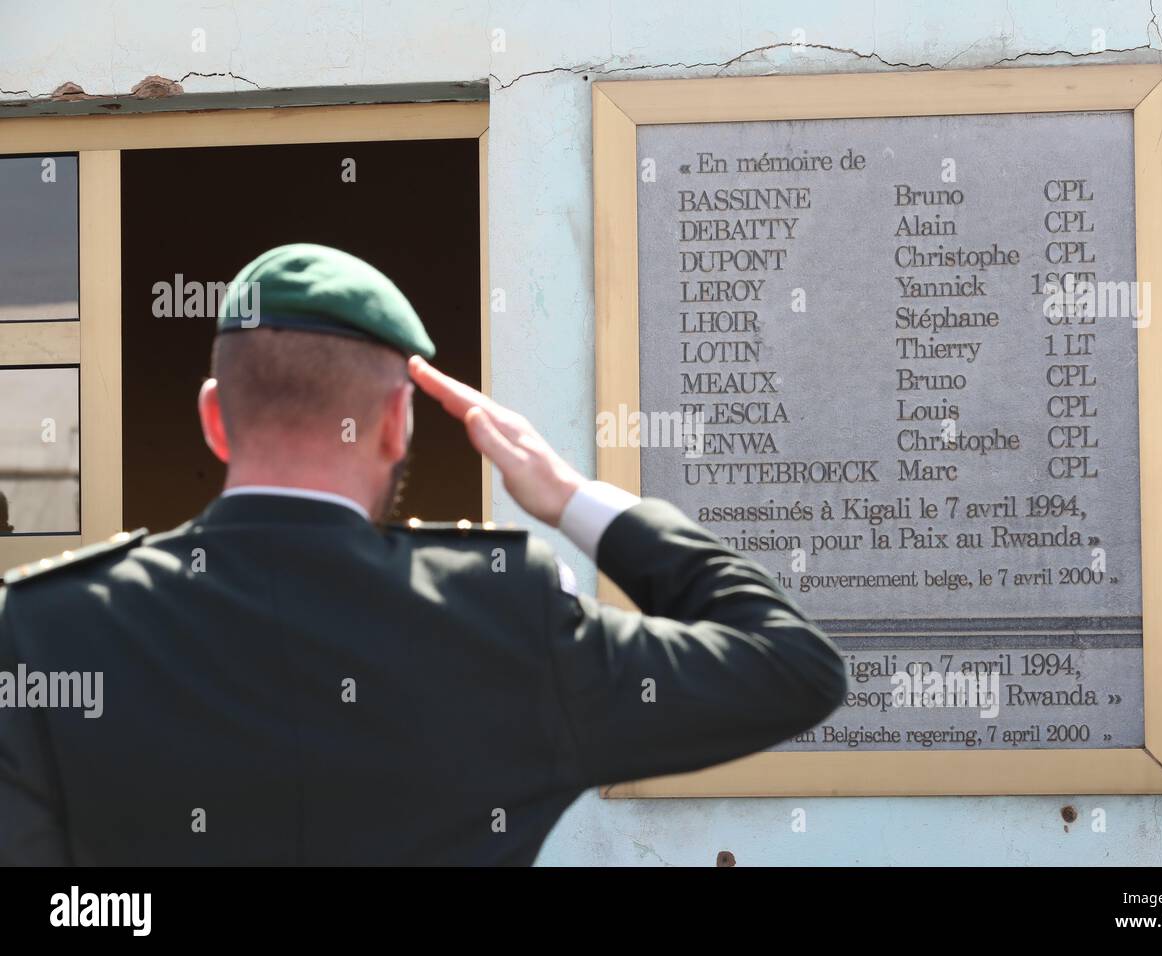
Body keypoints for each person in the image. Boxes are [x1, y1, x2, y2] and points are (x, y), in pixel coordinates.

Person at [0, 244, 846, 865]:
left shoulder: (46, 629)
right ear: (400, 422)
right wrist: (572, 497)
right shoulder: (504, 625)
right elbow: (791, 666)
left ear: (214, 418)